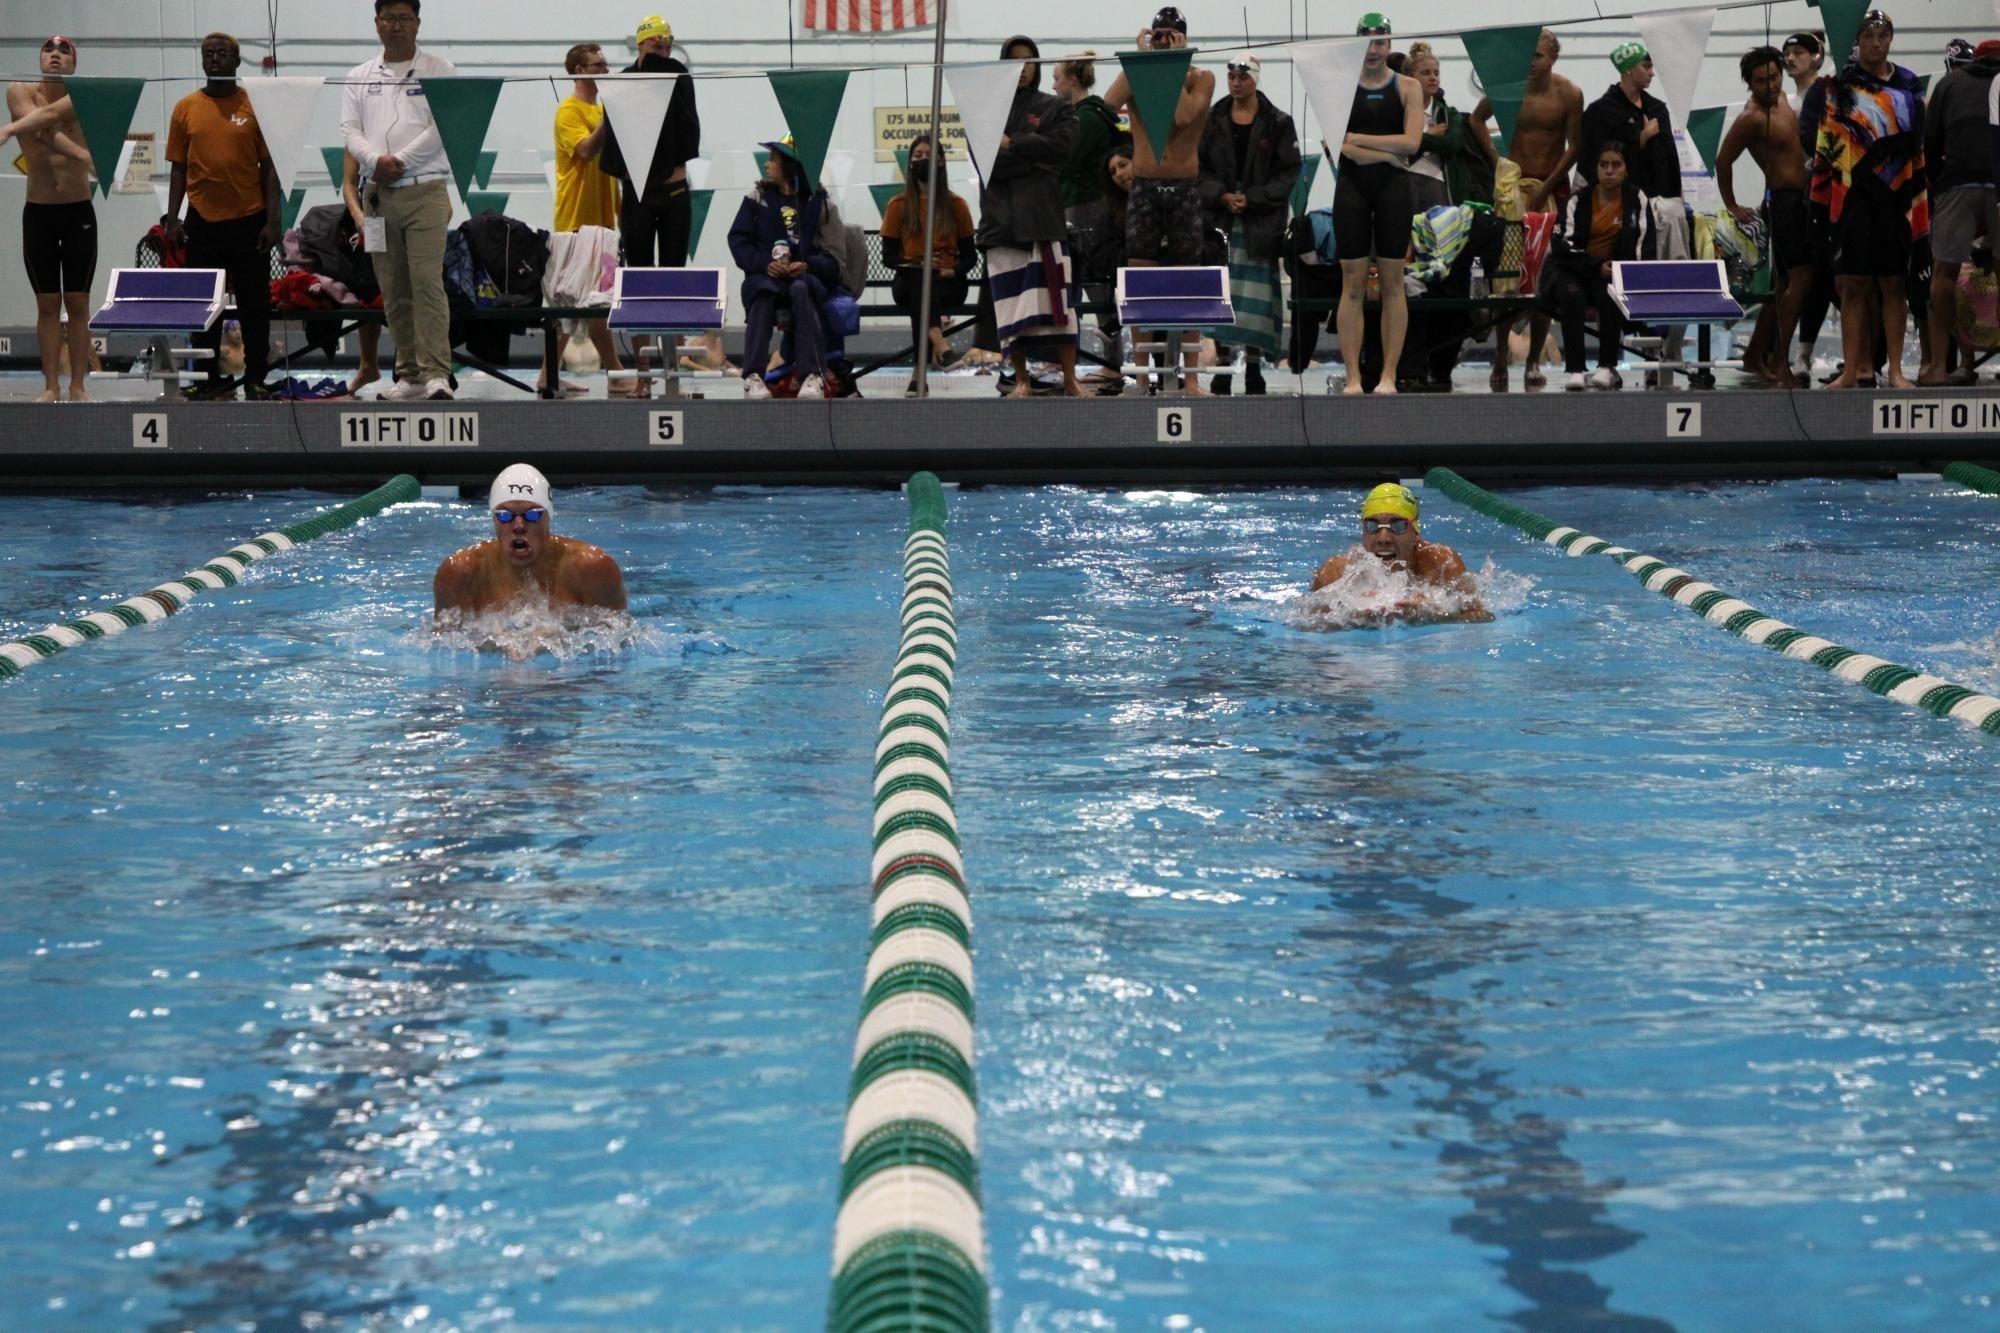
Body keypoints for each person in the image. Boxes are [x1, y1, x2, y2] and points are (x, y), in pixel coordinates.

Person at [340, 0, 457, 401]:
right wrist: (376, 162)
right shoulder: (358, 76)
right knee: (393, 289)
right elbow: (350, 130)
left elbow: (444, 126)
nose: (396, 26)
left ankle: (437, 373)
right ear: (376, 23)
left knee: (427, 284)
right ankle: (409, 375)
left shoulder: (440, 70)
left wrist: (400, 161)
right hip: (377, 198)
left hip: (425, 189)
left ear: (417, 24)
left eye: (404, 19)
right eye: (388, 18)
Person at [163, 32, 281, 400]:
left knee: (254, 306)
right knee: (204, 307)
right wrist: (173, 218)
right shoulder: (185, 108)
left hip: (250, 220)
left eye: (223, 53)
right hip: (202, 222)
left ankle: (256, 379)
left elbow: (270, 168)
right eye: (208, 53)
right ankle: (207, 379)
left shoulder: (255, 106)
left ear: (237, 61)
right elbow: (178, 169)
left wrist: (273, 221)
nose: (214, 58)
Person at [1102, 9, 1215, 393]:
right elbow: (1108, 102)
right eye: (1158, 35)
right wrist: (1139, 62)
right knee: (1141, 284)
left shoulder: (1202, 78)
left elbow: (1182, 116)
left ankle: (1191, 377)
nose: (1163, 41)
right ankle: (1141, 376)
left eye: (1170, 35)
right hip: (1145, 188)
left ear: (1183, 37)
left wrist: (1172, 65)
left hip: (1184, 189)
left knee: (1189, 284)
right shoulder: (1140, 72)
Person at [1814, 10, 1927, 391]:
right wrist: (1823, 202)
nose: (1875, 43)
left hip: (1896, 197)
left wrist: (1918, 200)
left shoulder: (1908, 85)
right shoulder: (1842, 87)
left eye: (1882, 36)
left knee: (1894, 284)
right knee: (1853, 285)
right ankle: (1852, 370)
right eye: (1867, 36)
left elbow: (1917, 146)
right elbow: (1827, 146)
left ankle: (1895, 370)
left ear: (1890, 39)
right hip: (1854, 198)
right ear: (1857, 41)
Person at [1472, 29, 1579, 391]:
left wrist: (1547, 187)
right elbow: (1475, 120)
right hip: (1513, 191)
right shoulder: (1508, 88)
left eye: (1538, 56)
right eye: (1527, 56)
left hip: (1549, 191)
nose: (1530, 63)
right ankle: (1501, 351)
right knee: (1506, 280)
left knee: (1543, 279)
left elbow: (1576, 146)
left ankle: (1533, 358)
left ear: (1553, 58)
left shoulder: (1569, 94)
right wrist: (1498, 163)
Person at [977, 35, 1085, 398]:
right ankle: (1021, 379)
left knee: (1060, 310)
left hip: (1043, 222)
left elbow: (1062, 148)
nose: (1022, 69)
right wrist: (1036, 159)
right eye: (1014, 61)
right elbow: (989, 165)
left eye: (1028, 61)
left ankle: (1070, 379)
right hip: (1001, 223)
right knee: (1010, 312)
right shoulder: (986, 112)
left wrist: (1014, 144)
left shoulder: (1055, 106)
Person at [598, 14, 700, 371]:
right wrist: (624, 171)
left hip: (673, 193)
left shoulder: (678, 76)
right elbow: (612, 136)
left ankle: (673, 368)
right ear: (640, 43)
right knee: (638, 281)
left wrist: (659, 59)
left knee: (675, 278)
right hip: (637, 194)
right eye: (656, 42)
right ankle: (642, 372)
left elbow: (690, 127)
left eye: (667, 43)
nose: (662, 49)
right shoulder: (621, 83)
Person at [1331, 14, 1424, 396]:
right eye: (1367, 42)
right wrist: (1388, 154)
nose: (1373, 50)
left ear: (1389, 45)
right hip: (1352, 187)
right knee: (1351, 284)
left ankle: (1388, 376)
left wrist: (1360, 140)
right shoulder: (1340, 87)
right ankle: (1353, 377)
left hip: (1393, 191)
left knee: (1392, 284)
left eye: (1380, 42)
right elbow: (1340, 147)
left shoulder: (1409, 87)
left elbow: (1413, 143)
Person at [1197, 53, 1300, 394]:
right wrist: (1221, 195)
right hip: (1221, 217)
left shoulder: (1278, 122)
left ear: (1255, 79)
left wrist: (1253, 198)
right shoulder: (1213, 119)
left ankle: (1254, 366)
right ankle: (1223, 365)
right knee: (1222, 293)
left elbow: (1288, 171)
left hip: (1260, 219)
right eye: (1231, 77)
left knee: (1257, 298)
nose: (1236, 83)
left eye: (1243, 77)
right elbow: (1200, 167)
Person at [2, 36, 97, 402]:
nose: (55, 55)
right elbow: (40, 127)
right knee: (46, 304)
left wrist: (10, 129)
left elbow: (48, 119)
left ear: (74, 64)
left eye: (64, 51)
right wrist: (83, 155)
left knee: (78, 301)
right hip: (39, 211)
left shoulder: (84, 95)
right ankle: (51, 386)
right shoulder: (18, 91)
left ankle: (77, 386)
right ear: (40, 58)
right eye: (48, 50)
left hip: (78, 210)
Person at [1716, 46, 1810, 386]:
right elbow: (1723, 160)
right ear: (1749, 83)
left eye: (1774, 77)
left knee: (1782, 285)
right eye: (1761, 81)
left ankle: (1755, 354)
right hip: (1783, 202)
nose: (1770, 86)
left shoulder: (1783, 99)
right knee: (1801, 279)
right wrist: (1732, 205)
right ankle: (1780, 361)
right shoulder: (1752, 117)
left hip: (1803, 199)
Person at [434, 464, 626, 620]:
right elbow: (442, 648)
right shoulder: (460, 573)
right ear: (493, 519)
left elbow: (620, 644)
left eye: (532, 515)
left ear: (549, 517)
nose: (518, 525)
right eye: (505, 515)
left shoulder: (592, 569)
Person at [727, 135, 841, 398]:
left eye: (773, 160)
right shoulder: (757, 198)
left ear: (790, 166)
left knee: (801, 289)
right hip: (764, 277)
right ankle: (753, 377)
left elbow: (835, 259)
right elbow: (739, 242)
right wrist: (764, 264)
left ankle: (813, 376)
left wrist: (809, 265)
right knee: (764, 292)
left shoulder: (821, 204)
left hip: (807, 279)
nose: (766, 165)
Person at [550, 41, 632, 397]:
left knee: (584, 302)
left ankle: (547, 375)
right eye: (598, 65)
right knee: (581, 302)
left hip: (602, 222)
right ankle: (616, 371)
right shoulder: (568, 111)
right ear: (579, 71)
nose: (606, 71)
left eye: (605, 64)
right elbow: (584, 150)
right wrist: (611, 117)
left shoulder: (599, 111)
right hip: (575, 222)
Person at [1919, 38, 2000, 384]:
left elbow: (1930, 142)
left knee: (1943, 274)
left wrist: (1941, 183)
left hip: (1958, 182)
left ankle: (1939, 367)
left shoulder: (1950, 83)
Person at [1544, 140, 1654, 391]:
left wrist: (1622, 270)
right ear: (1596, 168)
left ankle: (1607, 366)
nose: (1609, 171)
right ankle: (1575, 369)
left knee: (1609, 297)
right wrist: (1594, 266)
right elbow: (1562, 246)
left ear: (1626, 169)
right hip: (1573, 270)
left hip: (1611, 274)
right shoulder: (1577, 200)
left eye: (1616, 165)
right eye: (1603, 165)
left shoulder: (1637, 199)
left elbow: (1643, 243)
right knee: (1572, 296)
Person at [1310, 483, 1490, 623]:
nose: (1383, 538)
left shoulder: (1442, 564)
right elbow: (1307, 626)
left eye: (1397, 526)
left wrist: (1430, 616)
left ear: (1415, 532)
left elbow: (1482, 618)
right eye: (1372, 526)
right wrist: (1353, 619)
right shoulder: (1335, 574)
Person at [881, 133, 976, 395]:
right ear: (910, 163)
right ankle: (939, 342)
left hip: (948, 283)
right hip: (909, 279)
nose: (923, 160)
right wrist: (916, 263)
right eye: (918, 156)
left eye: (929, 155)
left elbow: (970, 256)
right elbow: (888, 257)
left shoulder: (956, 205)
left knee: (922, 295)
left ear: (941, 161)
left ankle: (918, 375)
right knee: (919, 280)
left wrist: (951, 270)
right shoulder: (898, 205)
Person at [1579, 42, 1680, 204]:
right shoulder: (1600, 112)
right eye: (1646, 66)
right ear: (1628, 69)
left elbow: (1671, 161)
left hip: (1658, 202)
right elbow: (1592, 162)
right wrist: (1642, 137)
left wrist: (1675, 200)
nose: (1652, 73)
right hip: (1616, 203)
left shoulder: (1657, 110)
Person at [336, 149, 387, 397]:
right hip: (372, 216)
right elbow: (349, 184)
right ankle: (368, 364)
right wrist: (358, 215)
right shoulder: (356, 138)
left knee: (405, 289)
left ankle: (411, 367)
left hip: (407, 213)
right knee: (369, 288)